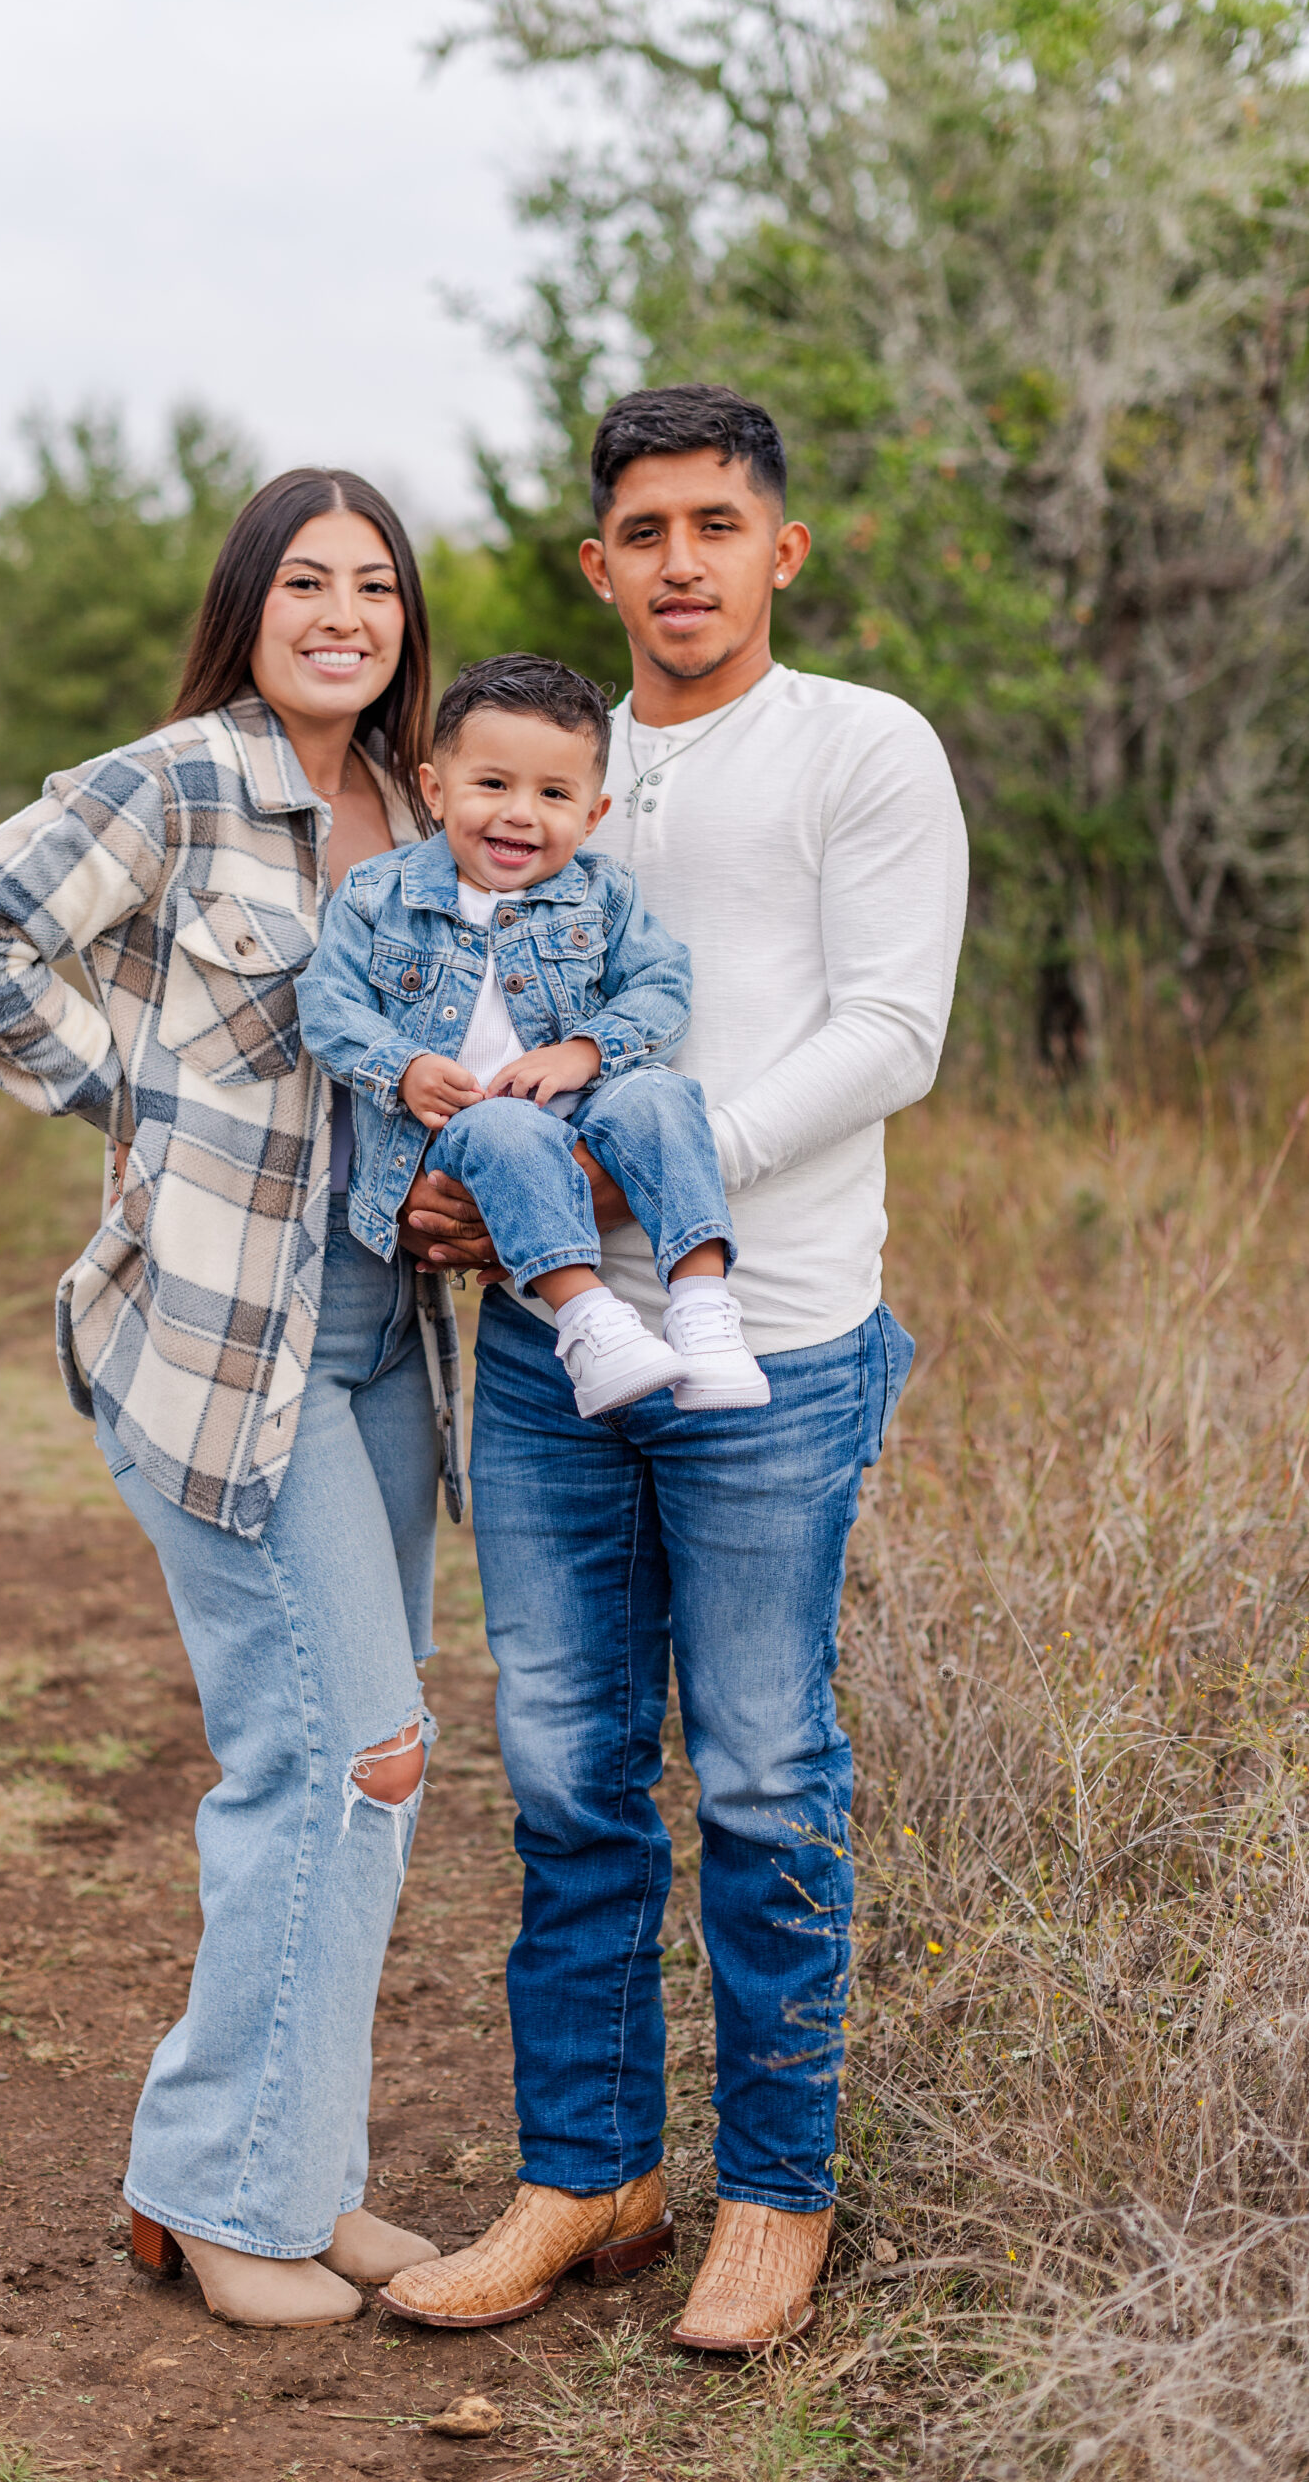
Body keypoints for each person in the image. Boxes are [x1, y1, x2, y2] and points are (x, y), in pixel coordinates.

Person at [382, 384, 968, 2349]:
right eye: (642, 530)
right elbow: (433, 1003)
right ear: (596, 562)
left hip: (771, 1343)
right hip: (552, 1348)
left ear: (776, 548)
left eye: (716, 523)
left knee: (759, 1769)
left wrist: (651, 1155)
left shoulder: (856, 748)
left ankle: (771, 2192)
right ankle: (589, 2171)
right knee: (560, 1774)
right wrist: (457, 1183)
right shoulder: (540, 763)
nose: (681, 561)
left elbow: (888, 1027)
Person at [0, 468, 465, 2332]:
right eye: (305, 581)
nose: (341, 614)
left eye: (373, 587)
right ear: (251, 601)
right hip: (229, 1346)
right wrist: (132, 1100)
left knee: (383, 1771)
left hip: (397, 1338)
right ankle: (213, 2198)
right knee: (332, 1750)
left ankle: (303, 2182)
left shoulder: (422, 799)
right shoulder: (178, 778)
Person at [298, 652, 770, 1419]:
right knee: (507, 1127)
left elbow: (662, 985)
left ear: (591, 817)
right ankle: (588, 1323)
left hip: (583, 1115)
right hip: (460, 1132)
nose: (520, 812)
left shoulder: (602, 894)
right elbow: (326, 1004)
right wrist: (405, 1065)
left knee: (661, 1095)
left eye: (553, 794)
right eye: (492, 784)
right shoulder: (378, 894)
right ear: (433, 790)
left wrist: (586, 1050)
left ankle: (704, 1307)